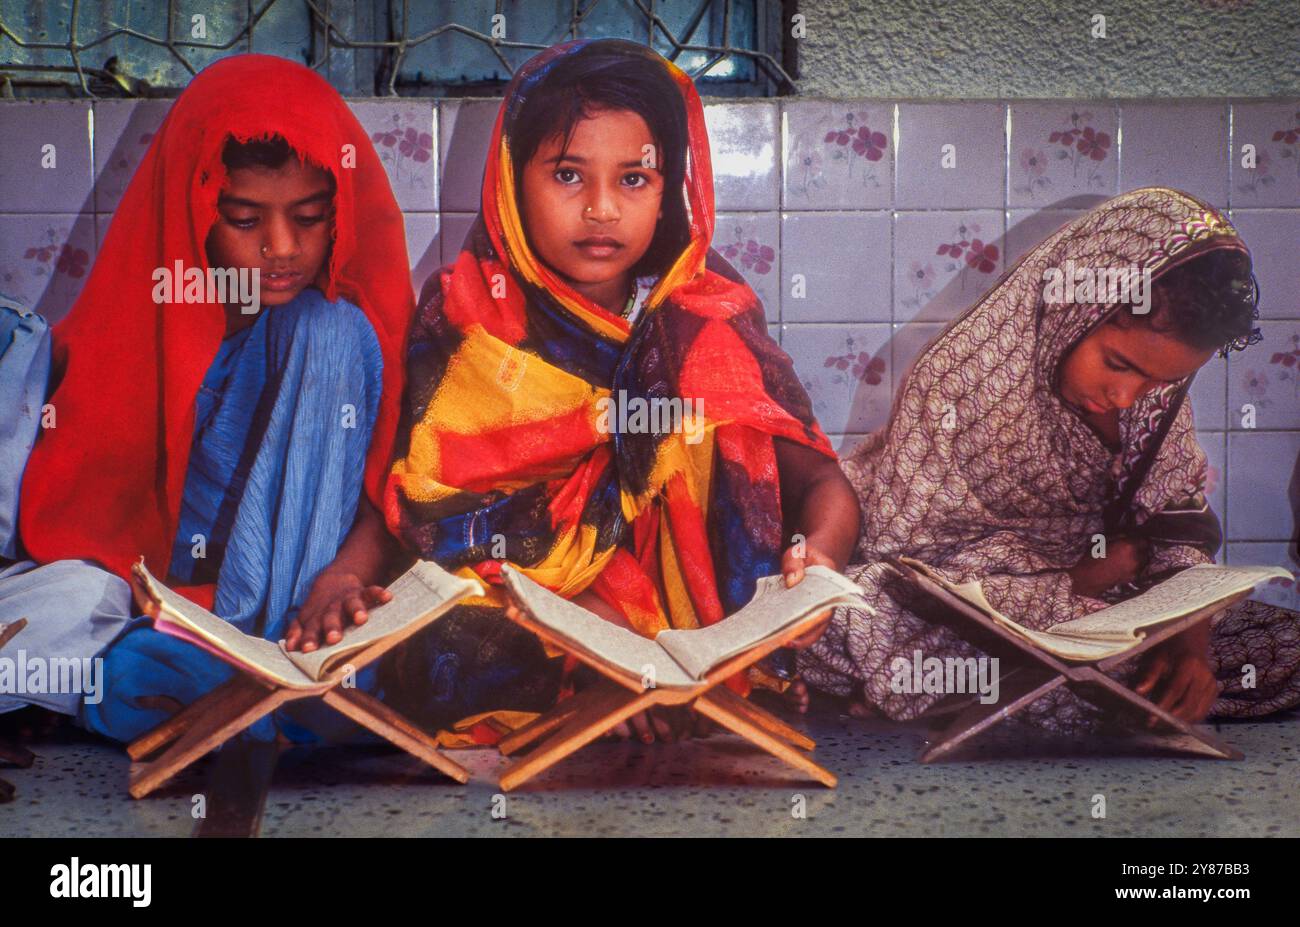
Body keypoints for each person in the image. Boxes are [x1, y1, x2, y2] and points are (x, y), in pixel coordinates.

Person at [284, 39, 861, 744]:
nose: (600, 209)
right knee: (443, 643)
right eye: (567, 174)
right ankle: (595, 678)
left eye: (634, 180)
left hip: (694, 631)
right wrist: (344, 574)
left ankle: (660, 678)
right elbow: (420, 497)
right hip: (533, 610)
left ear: (671, 184)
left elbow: (823, 480)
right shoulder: (467, 317)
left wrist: (820, 564)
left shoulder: (704, 317)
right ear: (509, 182)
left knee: (715, 426)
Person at [0, 54, 416, 744]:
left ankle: (276, 681)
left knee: (327, 327)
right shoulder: (147, 308)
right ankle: (261, 694)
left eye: (309, 218)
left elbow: (392, 487)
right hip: (171, 605)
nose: (281, 249)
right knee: (80, 623)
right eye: (245, 219)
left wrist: (342, 575)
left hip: (312, 607)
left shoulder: (343, 328)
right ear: (193, 210)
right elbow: (93, 526)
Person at [797, 187, 1300, 732]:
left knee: (1279, 646)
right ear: (1074, 310)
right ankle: (1077, 692)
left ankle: (1063, 693)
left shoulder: (1151, 400)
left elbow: (1177, 540)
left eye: (1163, 379)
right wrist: (1076, 581)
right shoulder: (957, 381)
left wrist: (1190, 651)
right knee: (849, 623)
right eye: (1118, 364)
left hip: (1105, 620)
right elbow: (910, 568)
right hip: (962, 619)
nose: (1128, 396)